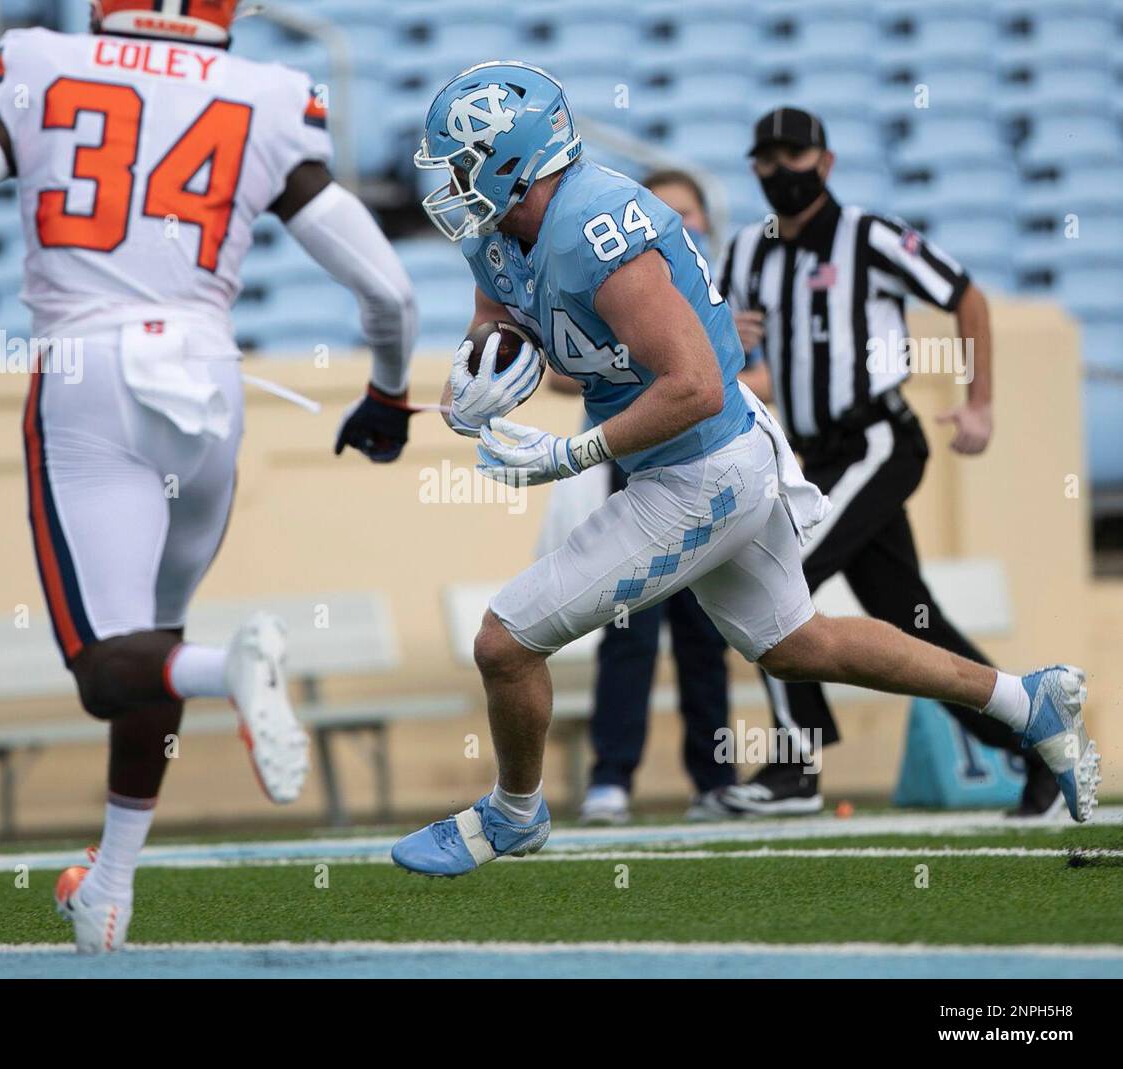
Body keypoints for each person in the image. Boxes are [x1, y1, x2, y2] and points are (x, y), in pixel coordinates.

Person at [390, 62, 1097, 878]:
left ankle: (515, 813)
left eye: (460, 160)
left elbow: (693, 385)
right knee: (799, 643)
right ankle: (1023, 698)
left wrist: (569, 452)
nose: (447, 181)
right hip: (698, 458)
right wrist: (479, 379)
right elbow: (496, 318)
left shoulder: (593, 227)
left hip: (703, 466)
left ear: (512, 157)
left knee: (505, 640)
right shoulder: (498, 229)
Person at [0, 0, 417, 951]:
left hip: (92, 377)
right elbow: (391, 290)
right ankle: (110, 886)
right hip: (211, 383)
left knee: (104, 668)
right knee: (149, 649)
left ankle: (232, 669)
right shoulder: (270, 92)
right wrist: (389, 396)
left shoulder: (40, 59)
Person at [711, 106, 1063, 818]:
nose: (782, 172)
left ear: (828, 163)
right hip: (815, 458)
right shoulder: (749, 250)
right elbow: (730, 362)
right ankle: (1040, 745)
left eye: (795, 157)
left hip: (877, 440)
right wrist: (725, 333)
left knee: (773, 574)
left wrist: (980, 403)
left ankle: (794, 764)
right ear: (753, 167)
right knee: (913, 620)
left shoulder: (868, 236)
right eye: (767, 160)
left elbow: (965, 295)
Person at [547, 168, 734, 825]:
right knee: (629, 623)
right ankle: (613, 774)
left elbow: (738, 380)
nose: (682, 220)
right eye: (669, 209)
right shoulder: (611, 277)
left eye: (690, 209)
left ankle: (715, 775)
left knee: (704, 629)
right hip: (632, 465)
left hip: (709, 467)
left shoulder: (709, 283)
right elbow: (560, 373)